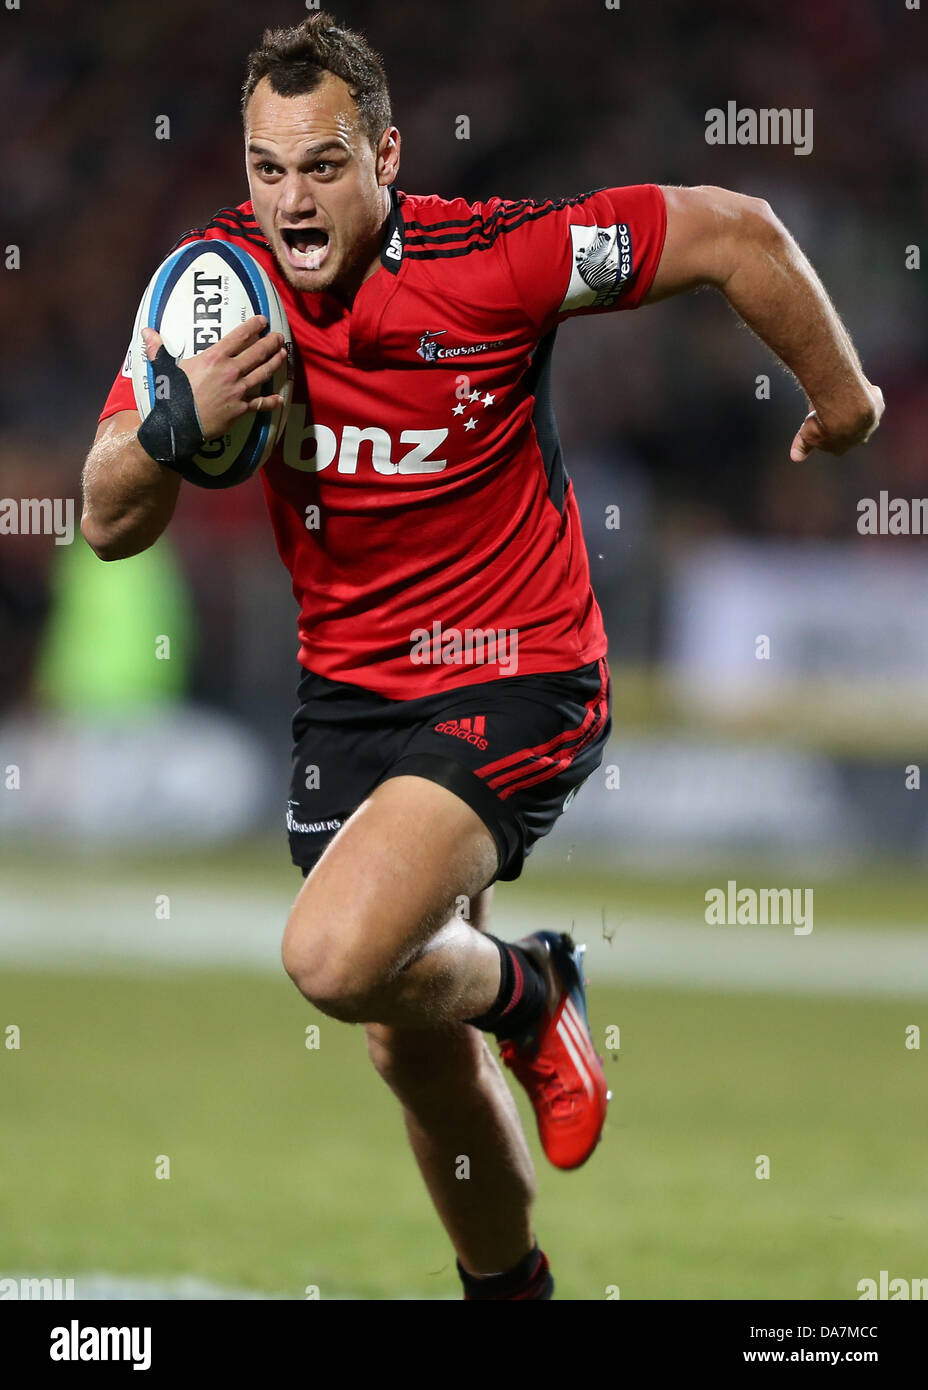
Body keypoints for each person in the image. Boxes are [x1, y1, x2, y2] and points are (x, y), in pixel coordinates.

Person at [81, 12, 883, 1301]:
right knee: (411, 1054)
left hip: (514, 669)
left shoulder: (496, 260)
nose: (293, 198)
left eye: (325, 163)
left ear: (386, 155)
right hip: (348, 701)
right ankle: (514, 1294)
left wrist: (844, 402)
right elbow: (106, 522)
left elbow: (735, 232)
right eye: (268, 166)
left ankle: (526, 987)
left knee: (333, 959)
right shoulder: (212, 293)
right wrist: (175, 428)